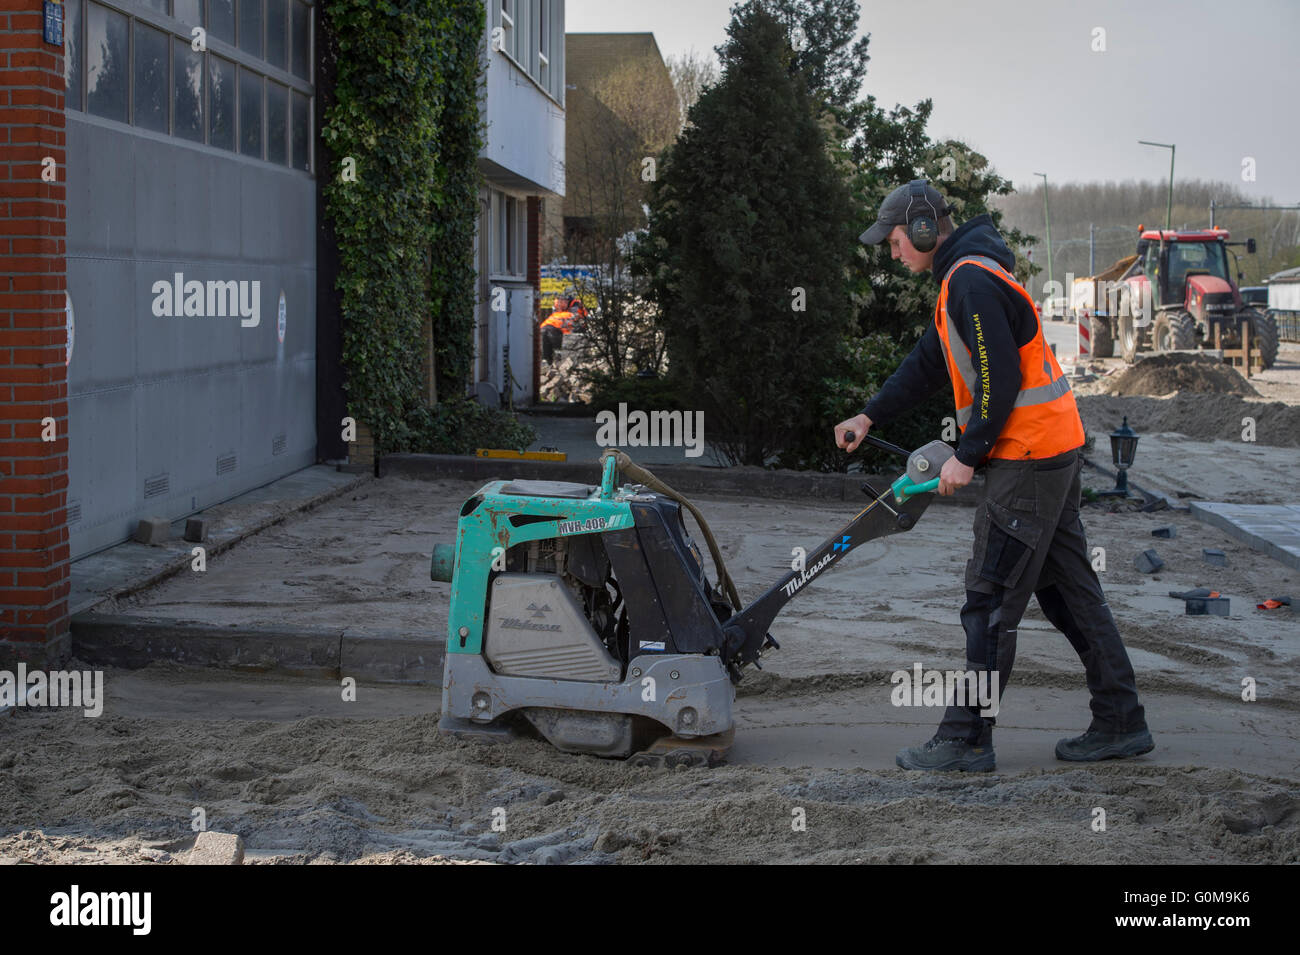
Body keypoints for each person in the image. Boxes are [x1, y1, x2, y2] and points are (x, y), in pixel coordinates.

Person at [834, 179, 1153, 772]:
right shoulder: (967, 275)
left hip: (1027, 460)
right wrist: (870, 413)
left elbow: (999, 378)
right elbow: (933, 359)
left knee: (989, 598)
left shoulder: (971, 280)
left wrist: (968, 453)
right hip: (1050, 452)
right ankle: (1121, 719)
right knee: (1068, 593)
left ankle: (966, 739)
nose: (893, 249)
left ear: (925, 228)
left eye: (897, 238)